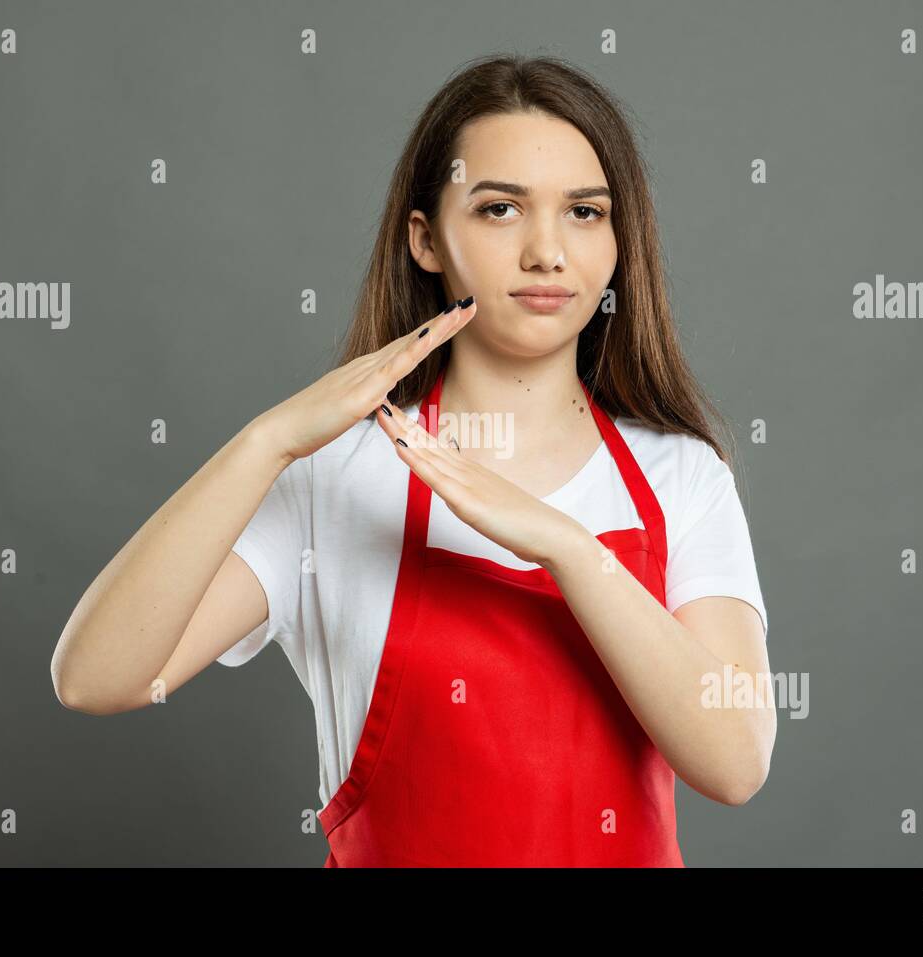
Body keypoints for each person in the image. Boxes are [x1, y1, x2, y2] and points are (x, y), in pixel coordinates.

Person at [51, 53, 774, 868]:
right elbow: (96, 677)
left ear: (618, 241)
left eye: (584, 211)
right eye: (500, 209)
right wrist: (268, 441)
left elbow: (737, 760)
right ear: (427, 240)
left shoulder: (683, 477)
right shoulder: (330, 479)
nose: (547, 251)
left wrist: (568, 548)